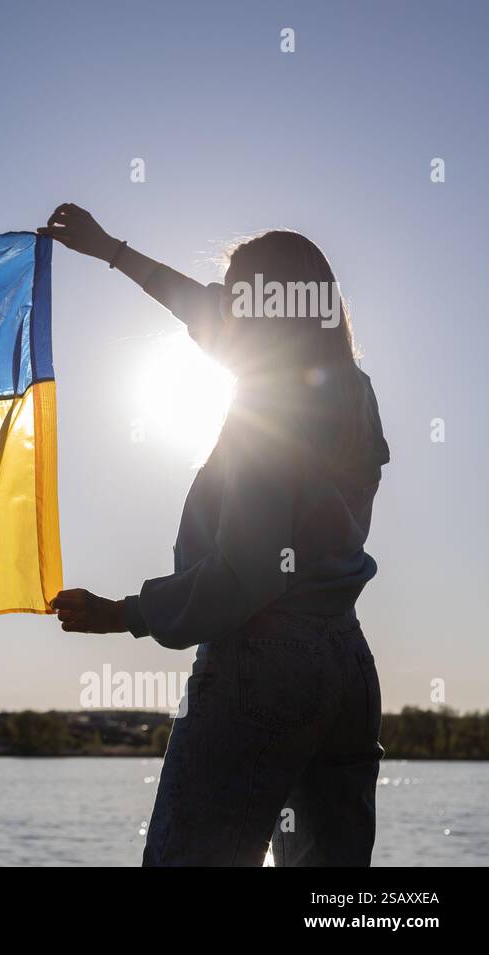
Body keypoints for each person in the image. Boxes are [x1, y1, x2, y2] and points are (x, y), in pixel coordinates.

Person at [40, 203, 389, 866]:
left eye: (235, 291)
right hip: (346, 668)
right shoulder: (353, 391)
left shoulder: (269, 400)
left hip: (263, 663)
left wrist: (127, 613)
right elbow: (198, 307)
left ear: (266, 305)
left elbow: (250, 572)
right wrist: (112, 251)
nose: (221, 302)